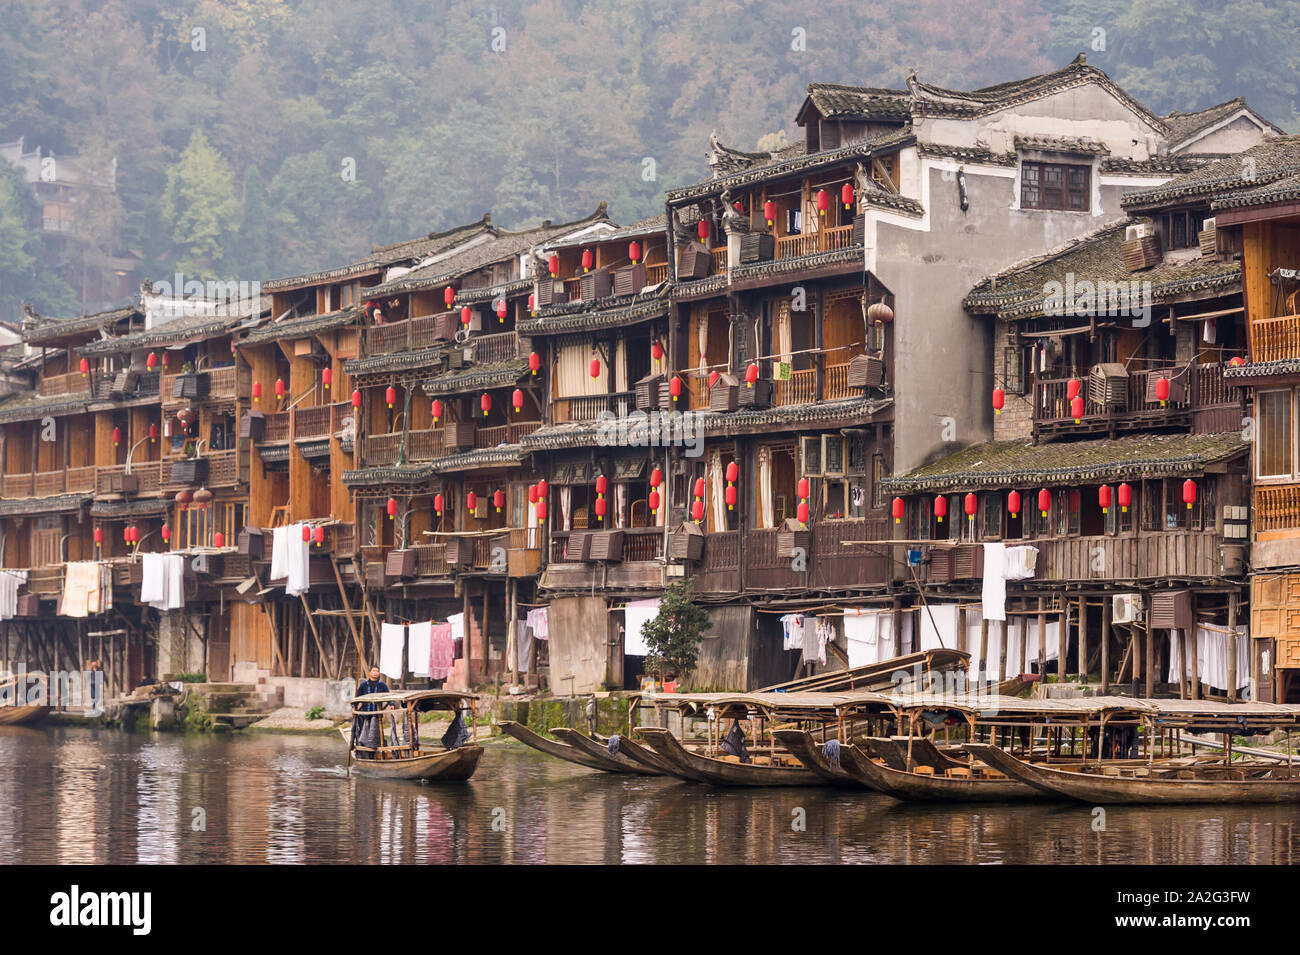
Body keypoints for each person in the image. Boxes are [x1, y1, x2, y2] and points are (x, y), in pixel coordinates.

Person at [352, 667, 389, 757]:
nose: (375, 673)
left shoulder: (382, 685)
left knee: (376, 734)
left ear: (379, 673)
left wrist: (391, 704)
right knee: (363, 734)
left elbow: (388, 695)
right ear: (370, 673)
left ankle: (376, 753)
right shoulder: (363, 685)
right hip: (365, 714)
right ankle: (363, 752)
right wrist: (353, 707)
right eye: (373, 671)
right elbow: (357, 698)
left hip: (377, 715)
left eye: (377, 671)